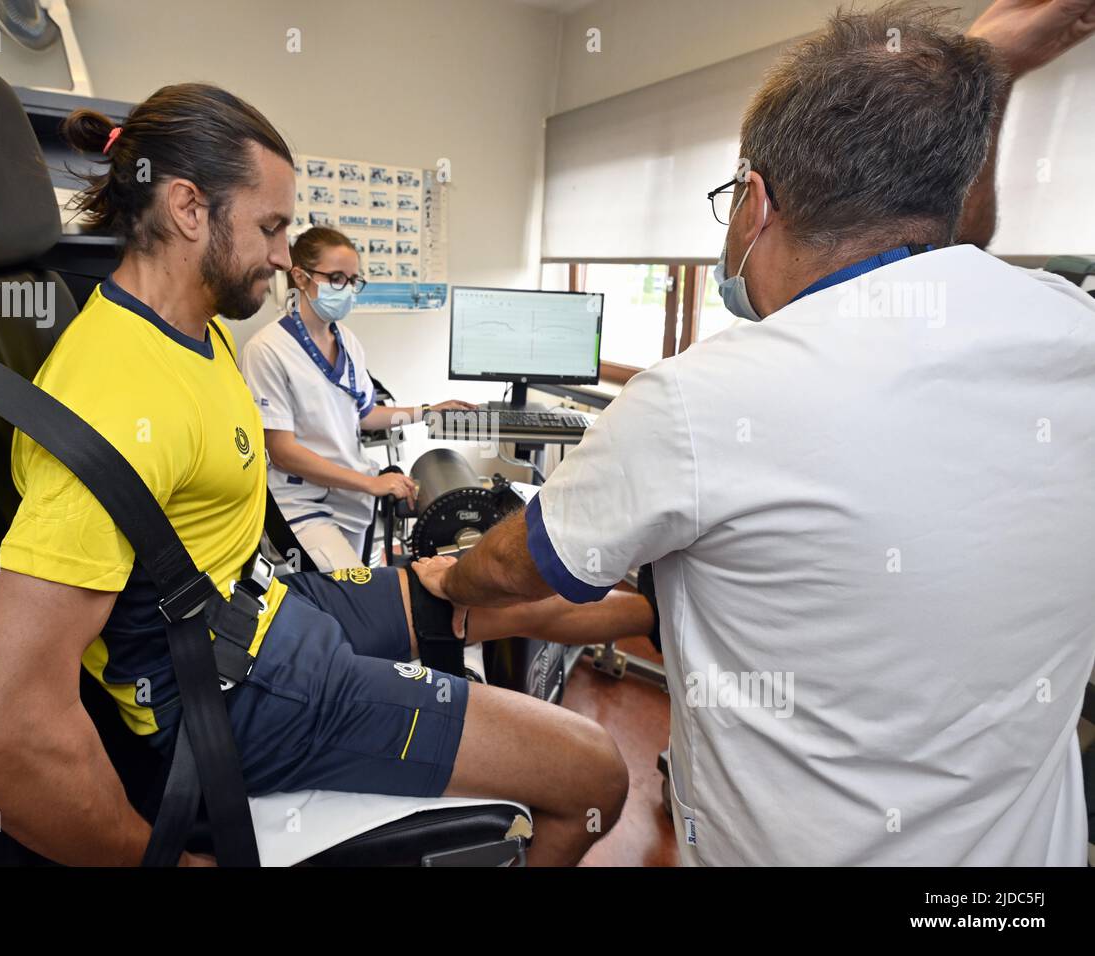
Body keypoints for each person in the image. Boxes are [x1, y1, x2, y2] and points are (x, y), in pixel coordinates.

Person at [414, 0, 1095, 865]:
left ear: (756, 202)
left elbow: (521, 564)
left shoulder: (704, 398)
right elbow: (959, 262)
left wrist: (452, 578)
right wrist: (985, 77)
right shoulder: (1072, 330)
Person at [0, 83, 656, 867]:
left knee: (473, 585)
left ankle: (662, 614)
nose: (286, 256)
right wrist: (160, 861)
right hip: (236, 687)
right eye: (271, 227)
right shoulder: (116, 400)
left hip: (265, 605)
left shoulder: (194, 332)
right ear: (187, 208)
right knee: (595, 773)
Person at [241, 226, 475, 571]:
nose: (347, 289)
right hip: (300, 504)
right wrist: (371, 482)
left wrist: (428, 412)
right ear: (301, 278)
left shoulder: (347, 341)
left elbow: (366, 414)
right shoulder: (266, 350)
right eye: (336, 278)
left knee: (359, 589)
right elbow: (282, 451)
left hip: (351, 497)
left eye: (353, 280)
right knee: (352, 593)